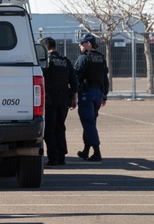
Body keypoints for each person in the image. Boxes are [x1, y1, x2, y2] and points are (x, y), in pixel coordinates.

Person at [41, 37, 77, 166]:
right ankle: (61, 156)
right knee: (60, 128)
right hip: (63, 100)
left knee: (49, 130)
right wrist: (74, 99)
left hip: (49, 100)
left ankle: (53, 157)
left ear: (45, 48)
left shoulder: (46, 62)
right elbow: (74, 83)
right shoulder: (65, 61)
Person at [73, 34, 108, 162]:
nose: (79, 45)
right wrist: (104, 95)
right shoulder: (101, 58)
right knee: (91, 122)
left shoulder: (83, 58)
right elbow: (105, 78)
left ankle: (97, 152)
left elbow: (77, 76)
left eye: (81, 43)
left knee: (88, 123)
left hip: (86, 93)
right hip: (98, 93)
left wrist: (73, 94)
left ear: (88, 44)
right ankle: (86, 151)